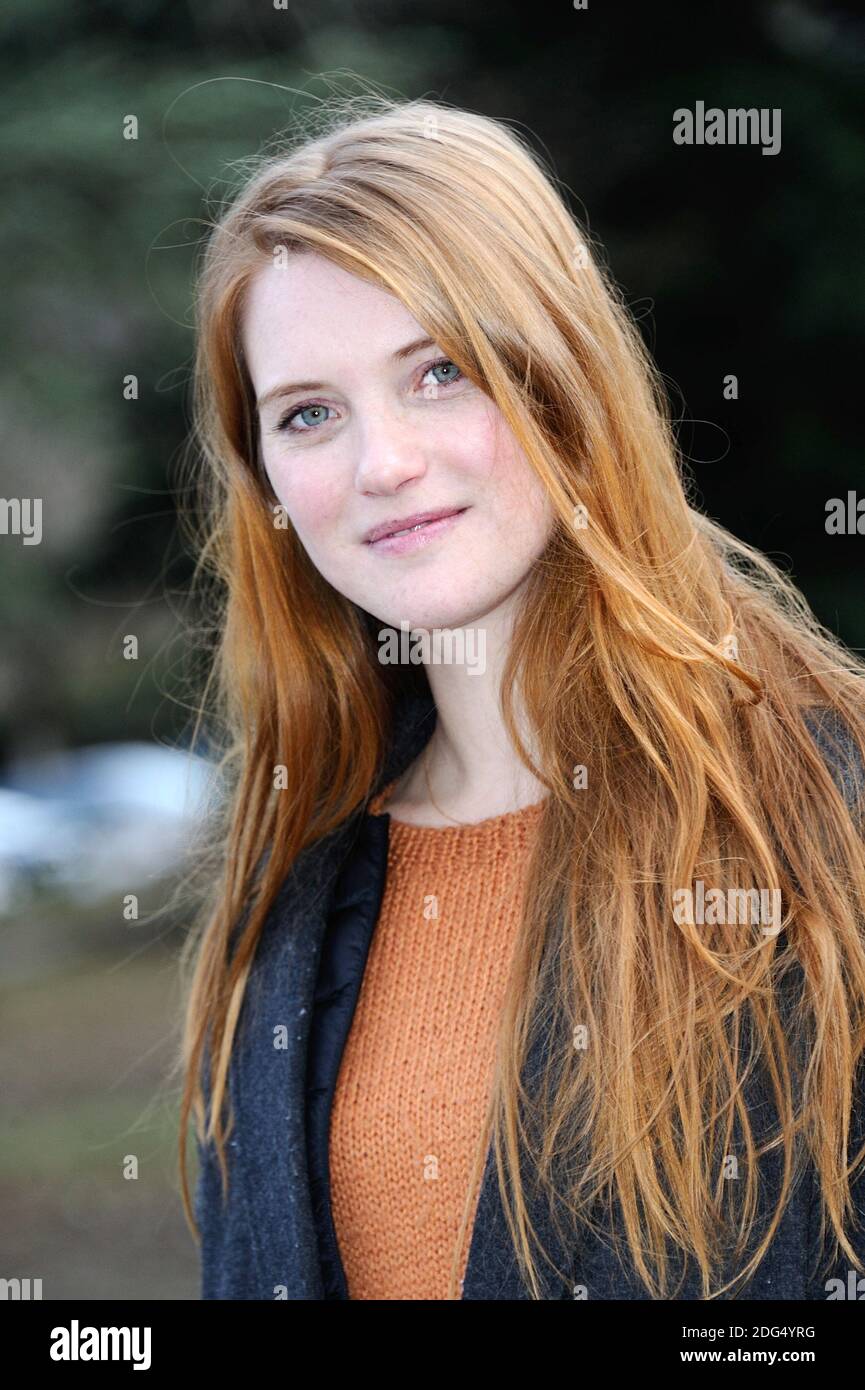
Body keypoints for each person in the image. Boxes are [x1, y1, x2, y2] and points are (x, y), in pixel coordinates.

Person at [176, 94, 865, 1300]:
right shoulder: (293, 880)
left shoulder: (826, 814)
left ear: (564, 369)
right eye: (310, 413)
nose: (382, 462)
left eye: (441, 370)